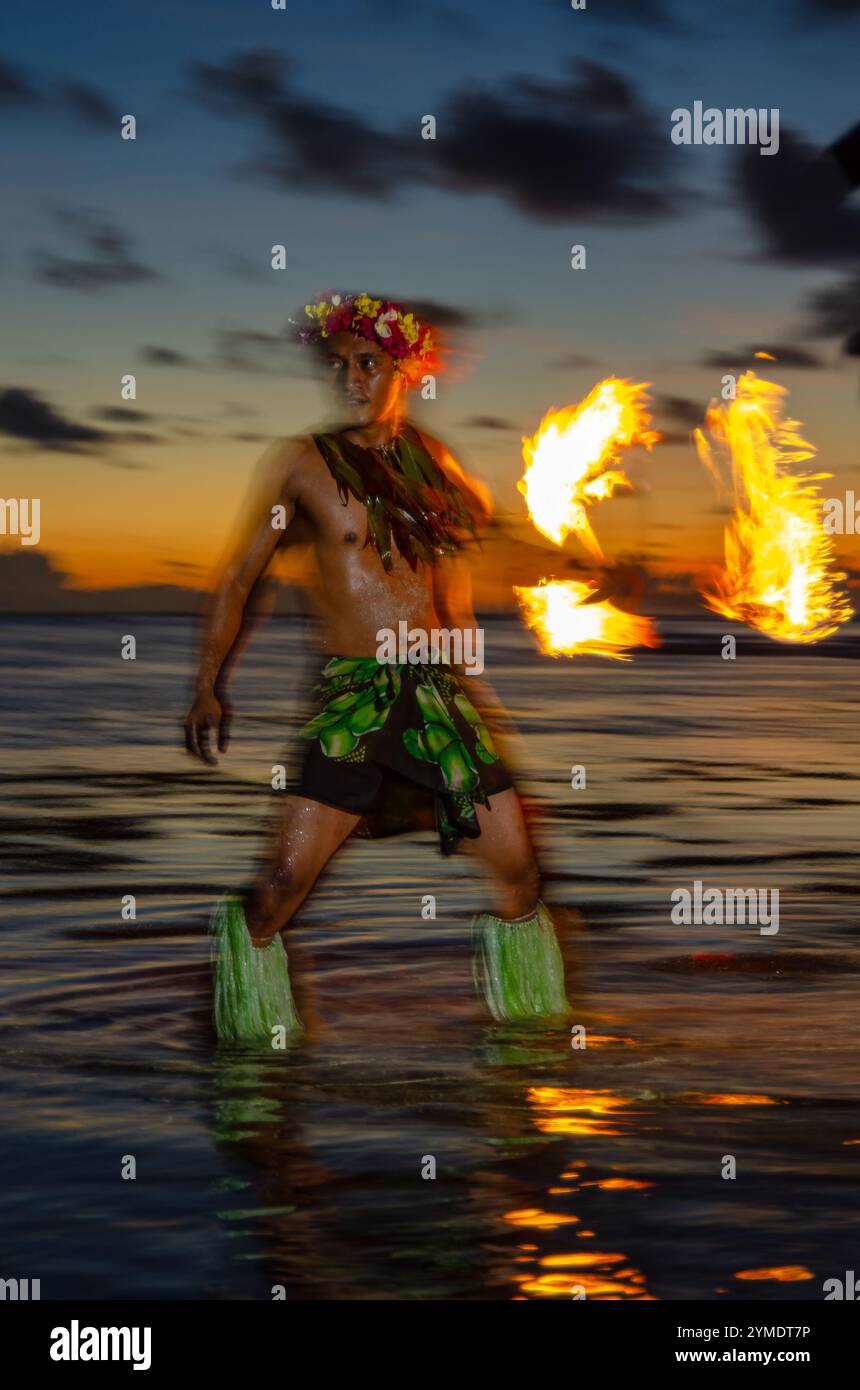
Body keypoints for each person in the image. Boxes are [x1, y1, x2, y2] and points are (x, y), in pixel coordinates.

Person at [184, 291, 569, 1041]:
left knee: (521, 873)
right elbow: (240, 578)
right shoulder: (301, 465)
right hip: (354, 699)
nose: (350, 381)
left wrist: (479, 698)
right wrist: (207, 683)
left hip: (434, 695)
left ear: (408, 374)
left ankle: (533, 1049)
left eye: (368, 365)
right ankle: (248, 1055)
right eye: (340, 367)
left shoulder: (435, 468)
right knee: (280, 889)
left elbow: (450, 605)